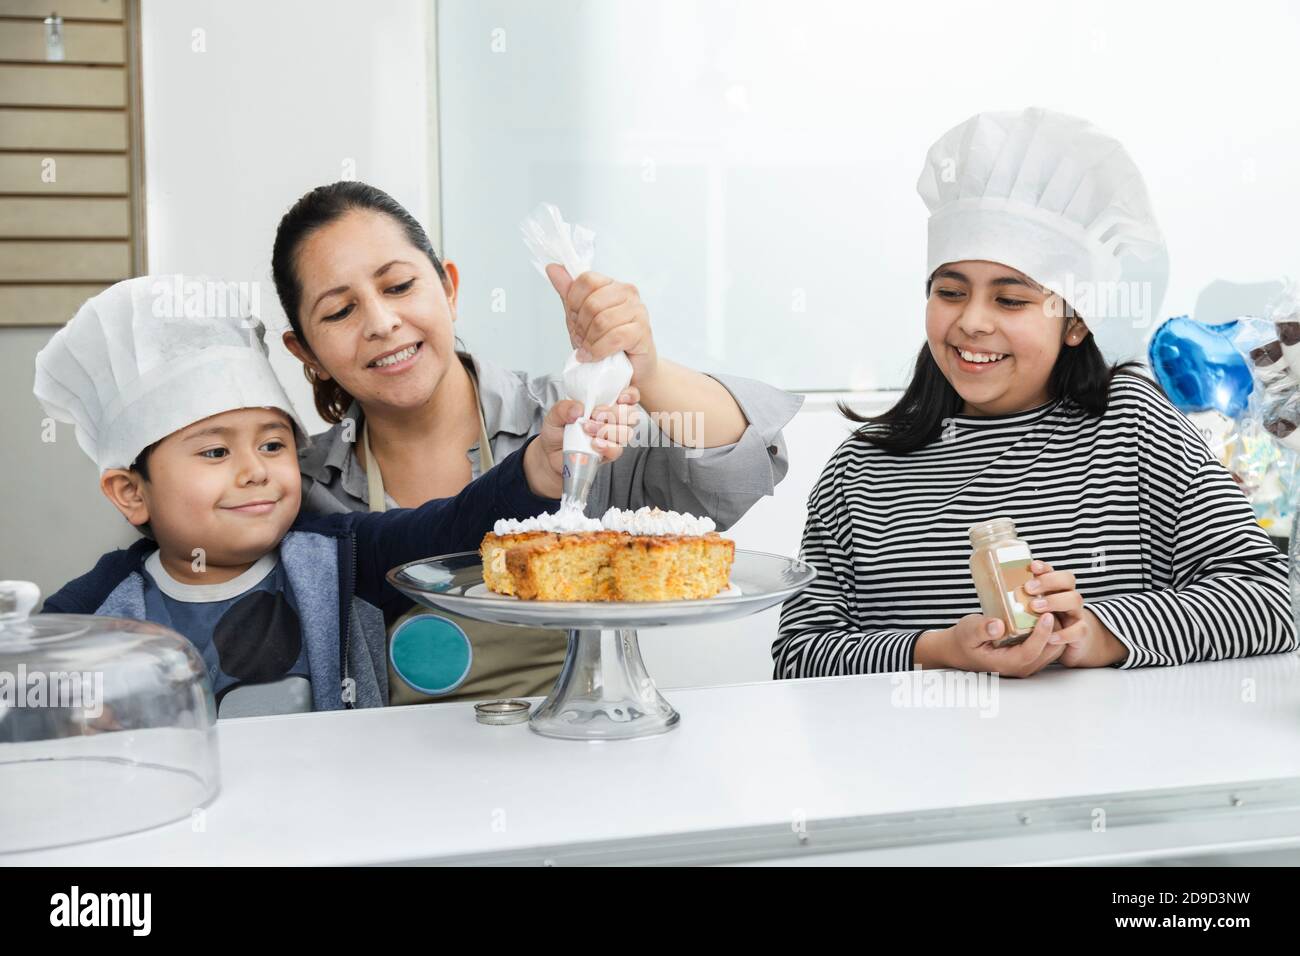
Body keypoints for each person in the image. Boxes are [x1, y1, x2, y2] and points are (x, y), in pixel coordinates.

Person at [776, 107, 1296, 679]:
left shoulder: (1132, 425)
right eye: (950, 292)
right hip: (915, 765)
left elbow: (1270, 602)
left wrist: (1097, 633)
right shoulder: (861, 471)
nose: (972, 322)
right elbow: (800, 655)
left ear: (1074, 324)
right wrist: (936, 650)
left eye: (1010, 300)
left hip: (1104, 766)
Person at [273, 181, 803, 701]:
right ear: (306, 353)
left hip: (581, 763)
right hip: (391, 776)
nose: (382, 323)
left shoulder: (572, 418)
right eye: (340, 311)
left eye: (398, 287)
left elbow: (739, 459)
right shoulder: (297, 486)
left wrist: (649, 368)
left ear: (449, 288)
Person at [33, 276, 618, 716]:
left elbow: (449, 529)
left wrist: (534, 473)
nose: (254, 471)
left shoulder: (339, 557)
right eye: (215, 453)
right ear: (131, 493)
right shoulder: (90, 611)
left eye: (272, 445)